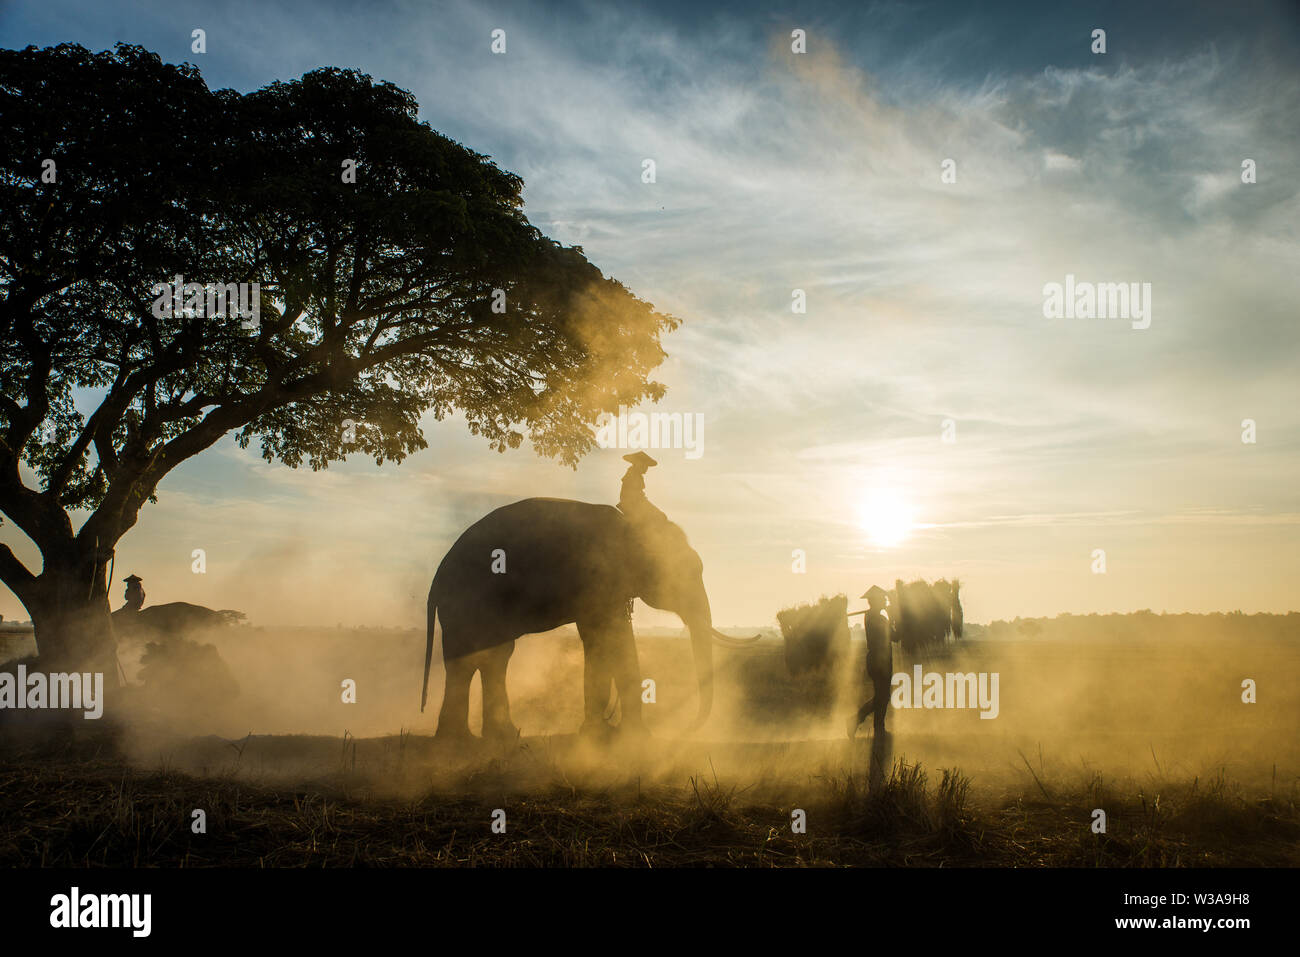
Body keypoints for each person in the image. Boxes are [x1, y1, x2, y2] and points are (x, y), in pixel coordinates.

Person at [848, 584, 896, 738]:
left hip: (878, 659)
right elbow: (895, 636)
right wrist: (894, 616)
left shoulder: (872, 616)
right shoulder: (877, 618)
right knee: (882, 696)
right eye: (883, 599)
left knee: (881, 696)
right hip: (879, 660)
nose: (885, 601)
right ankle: (857, 721)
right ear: (874, 601)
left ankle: (878, 729)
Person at [617, 451, 668, 525]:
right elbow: (635, 495)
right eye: (645, 465)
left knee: (660, 516)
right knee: (661, 517)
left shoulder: (634, 474)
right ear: (639, 463)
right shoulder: (633, 474)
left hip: (634, 503)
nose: (646, 468)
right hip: (633, 504)